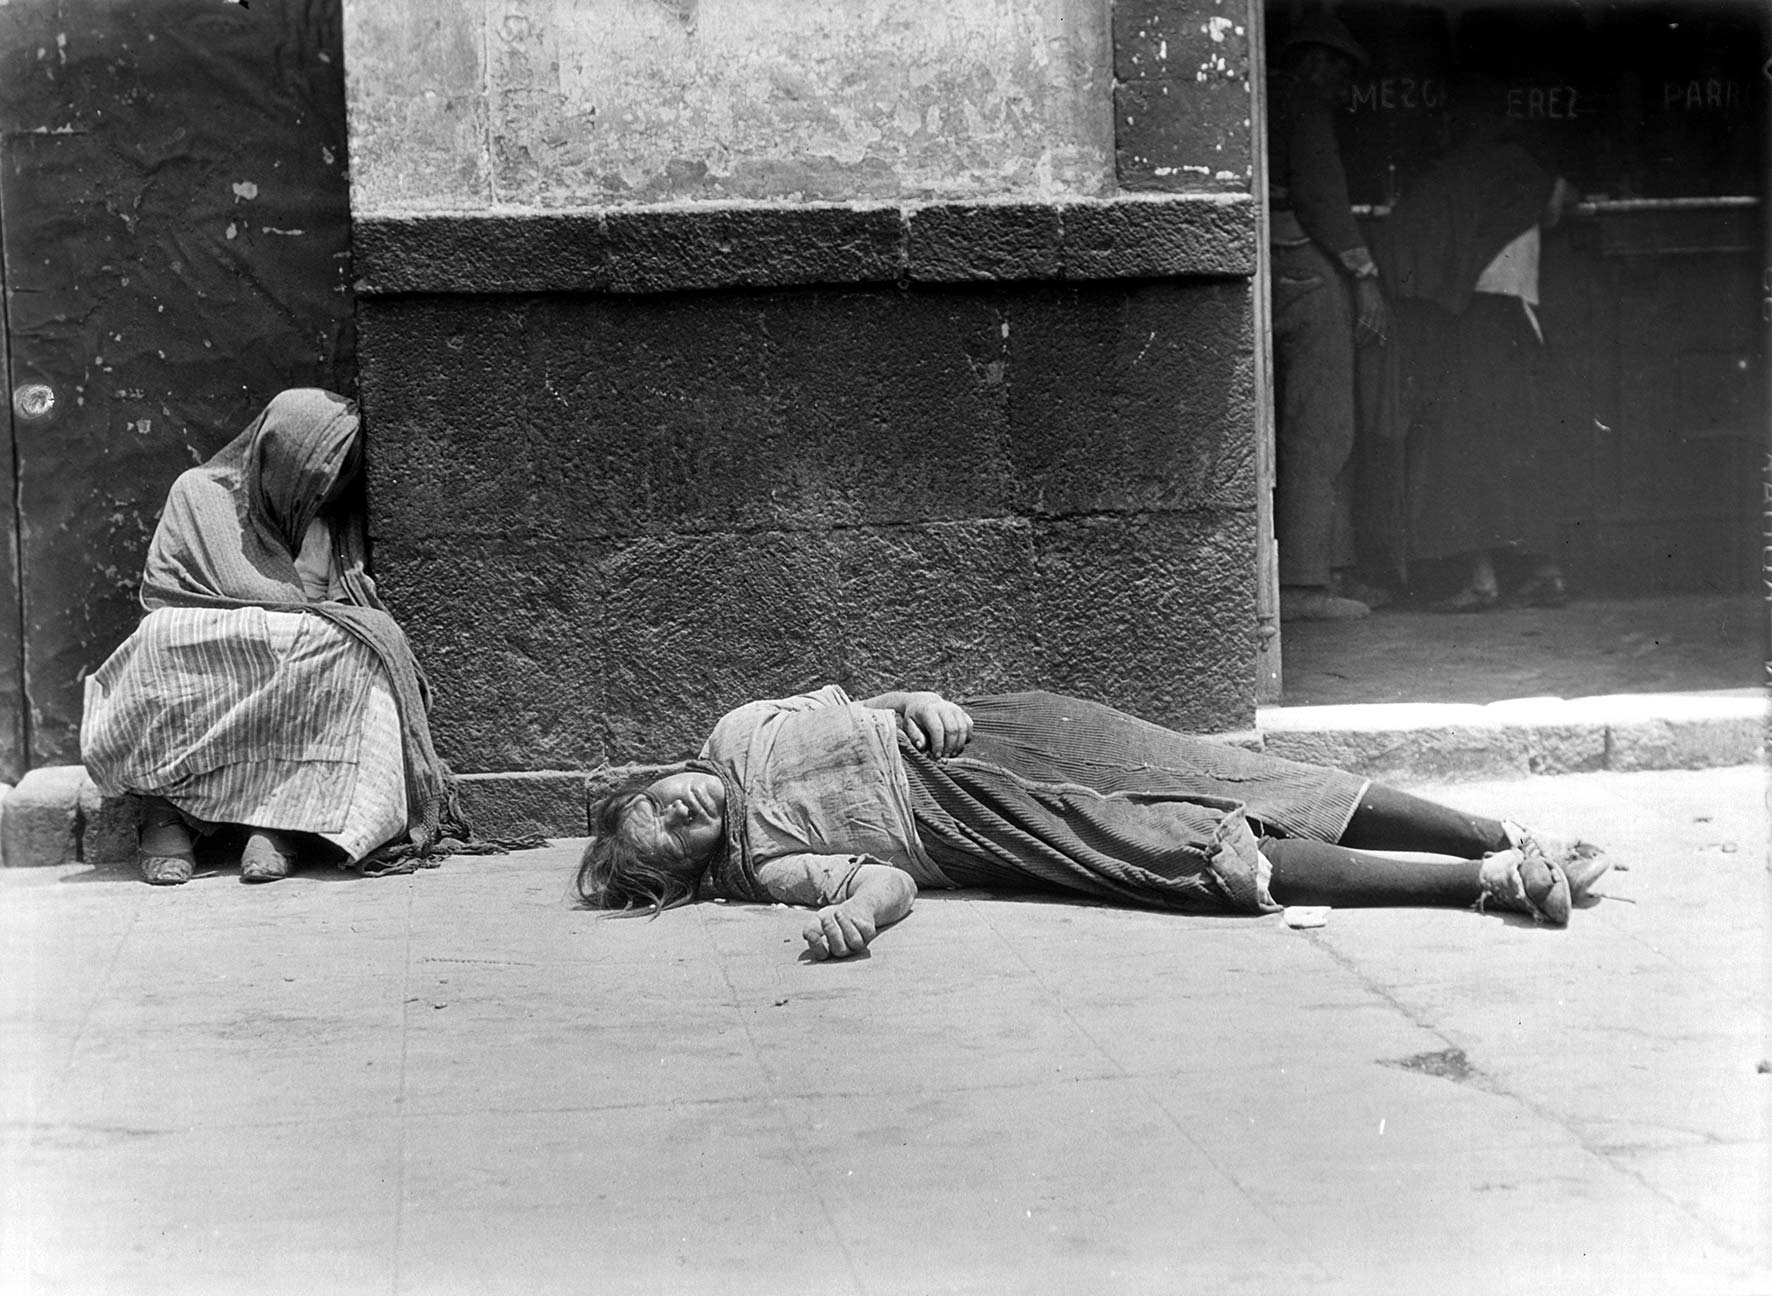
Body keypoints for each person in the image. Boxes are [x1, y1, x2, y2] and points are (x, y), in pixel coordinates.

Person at [574, 686, 1611, 960]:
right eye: (676, 837)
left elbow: (858, 697)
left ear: (649, 777)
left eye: (659, 802)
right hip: (971, 817)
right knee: (1188, 848)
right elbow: (877, 881)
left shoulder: (737, 728)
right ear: (693, 871)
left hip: (992, 730)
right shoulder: (765, 862)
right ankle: (1490, 884)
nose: (684, 811)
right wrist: (859, 918)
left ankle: (1496, 834)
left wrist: (916, 699)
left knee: (1218, 769)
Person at [80, 388, 465, 885]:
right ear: (276, 457)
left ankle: (279, 821)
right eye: (315, 474)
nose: (328, 488)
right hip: (220, 645)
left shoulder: (331, 520)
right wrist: (257, 622)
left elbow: (345, 602)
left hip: (297, 645)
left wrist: (294, 624)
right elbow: (164, 593)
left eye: (339, 474)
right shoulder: (198, 494)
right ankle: (164, 813)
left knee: (361, 647)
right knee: (158, 638)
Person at [1371, 102, 1580, 611]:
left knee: (1463, 448)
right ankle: (1545, 572)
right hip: (1519, 320)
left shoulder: (1453, 174)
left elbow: (1404, 238)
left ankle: (1482, 579)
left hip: (1471, 322)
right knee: (1527, 445)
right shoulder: (1526, 169)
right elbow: (1562, 202)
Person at [1267, 10, 1392, 621]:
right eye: (1340, 70)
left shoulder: (1265, 97)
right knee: (1322, 427)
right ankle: (1305, 584)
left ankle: (1320, 573)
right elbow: (1322, 198)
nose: (1344, 87)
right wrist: (1365, 276)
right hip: (1303, 268)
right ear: (1315, 62)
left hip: (1269, 260)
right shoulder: (1305, 105)